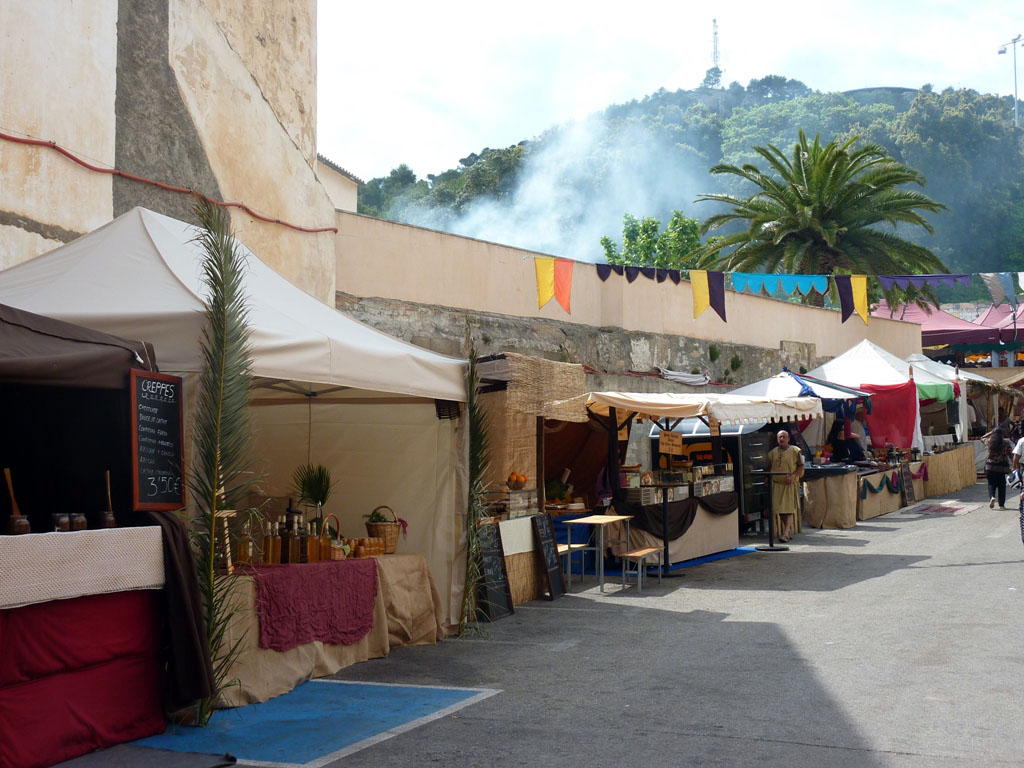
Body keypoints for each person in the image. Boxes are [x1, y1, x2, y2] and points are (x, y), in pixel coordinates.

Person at [768, 429, 804, 542]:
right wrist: (766, 478)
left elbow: (801, 466)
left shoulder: (795, 451)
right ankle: (787, 530)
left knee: (788, 509)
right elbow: (770, 466)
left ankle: (786, 532)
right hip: (777, 485)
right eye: (780, 437)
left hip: (789, 484)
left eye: (784, 437)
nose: (782, 439)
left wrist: (793, 476)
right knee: (779, 510)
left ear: (788, 438)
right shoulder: (773, 452)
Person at [985, 427, 1014, 509]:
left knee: (991, 484)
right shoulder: (1006, 443)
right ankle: (1001, 505)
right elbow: (1011, 455)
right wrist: (1014, 465)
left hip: (990, 467)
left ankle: (992, 497)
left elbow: (981, 438)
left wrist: (990, 433)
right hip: (1002, 468)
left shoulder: (989, 442)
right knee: (1001, 486)